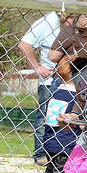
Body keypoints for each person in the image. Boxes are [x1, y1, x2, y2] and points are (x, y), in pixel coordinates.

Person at [51, 15, 87, 173]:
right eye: (76, 32)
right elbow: (81, 103)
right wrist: (72, 117)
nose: (76, 39)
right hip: (86, 147)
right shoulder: (81, 68)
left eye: (84, 33)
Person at [21, 11, 71, 161]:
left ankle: (66, 154)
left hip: (76, 80)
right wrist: (38, 67)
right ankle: (42, 154)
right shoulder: (49, 20)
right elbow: (24, 44)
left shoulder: (83, 17)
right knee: (47, 117)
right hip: (51, 81)